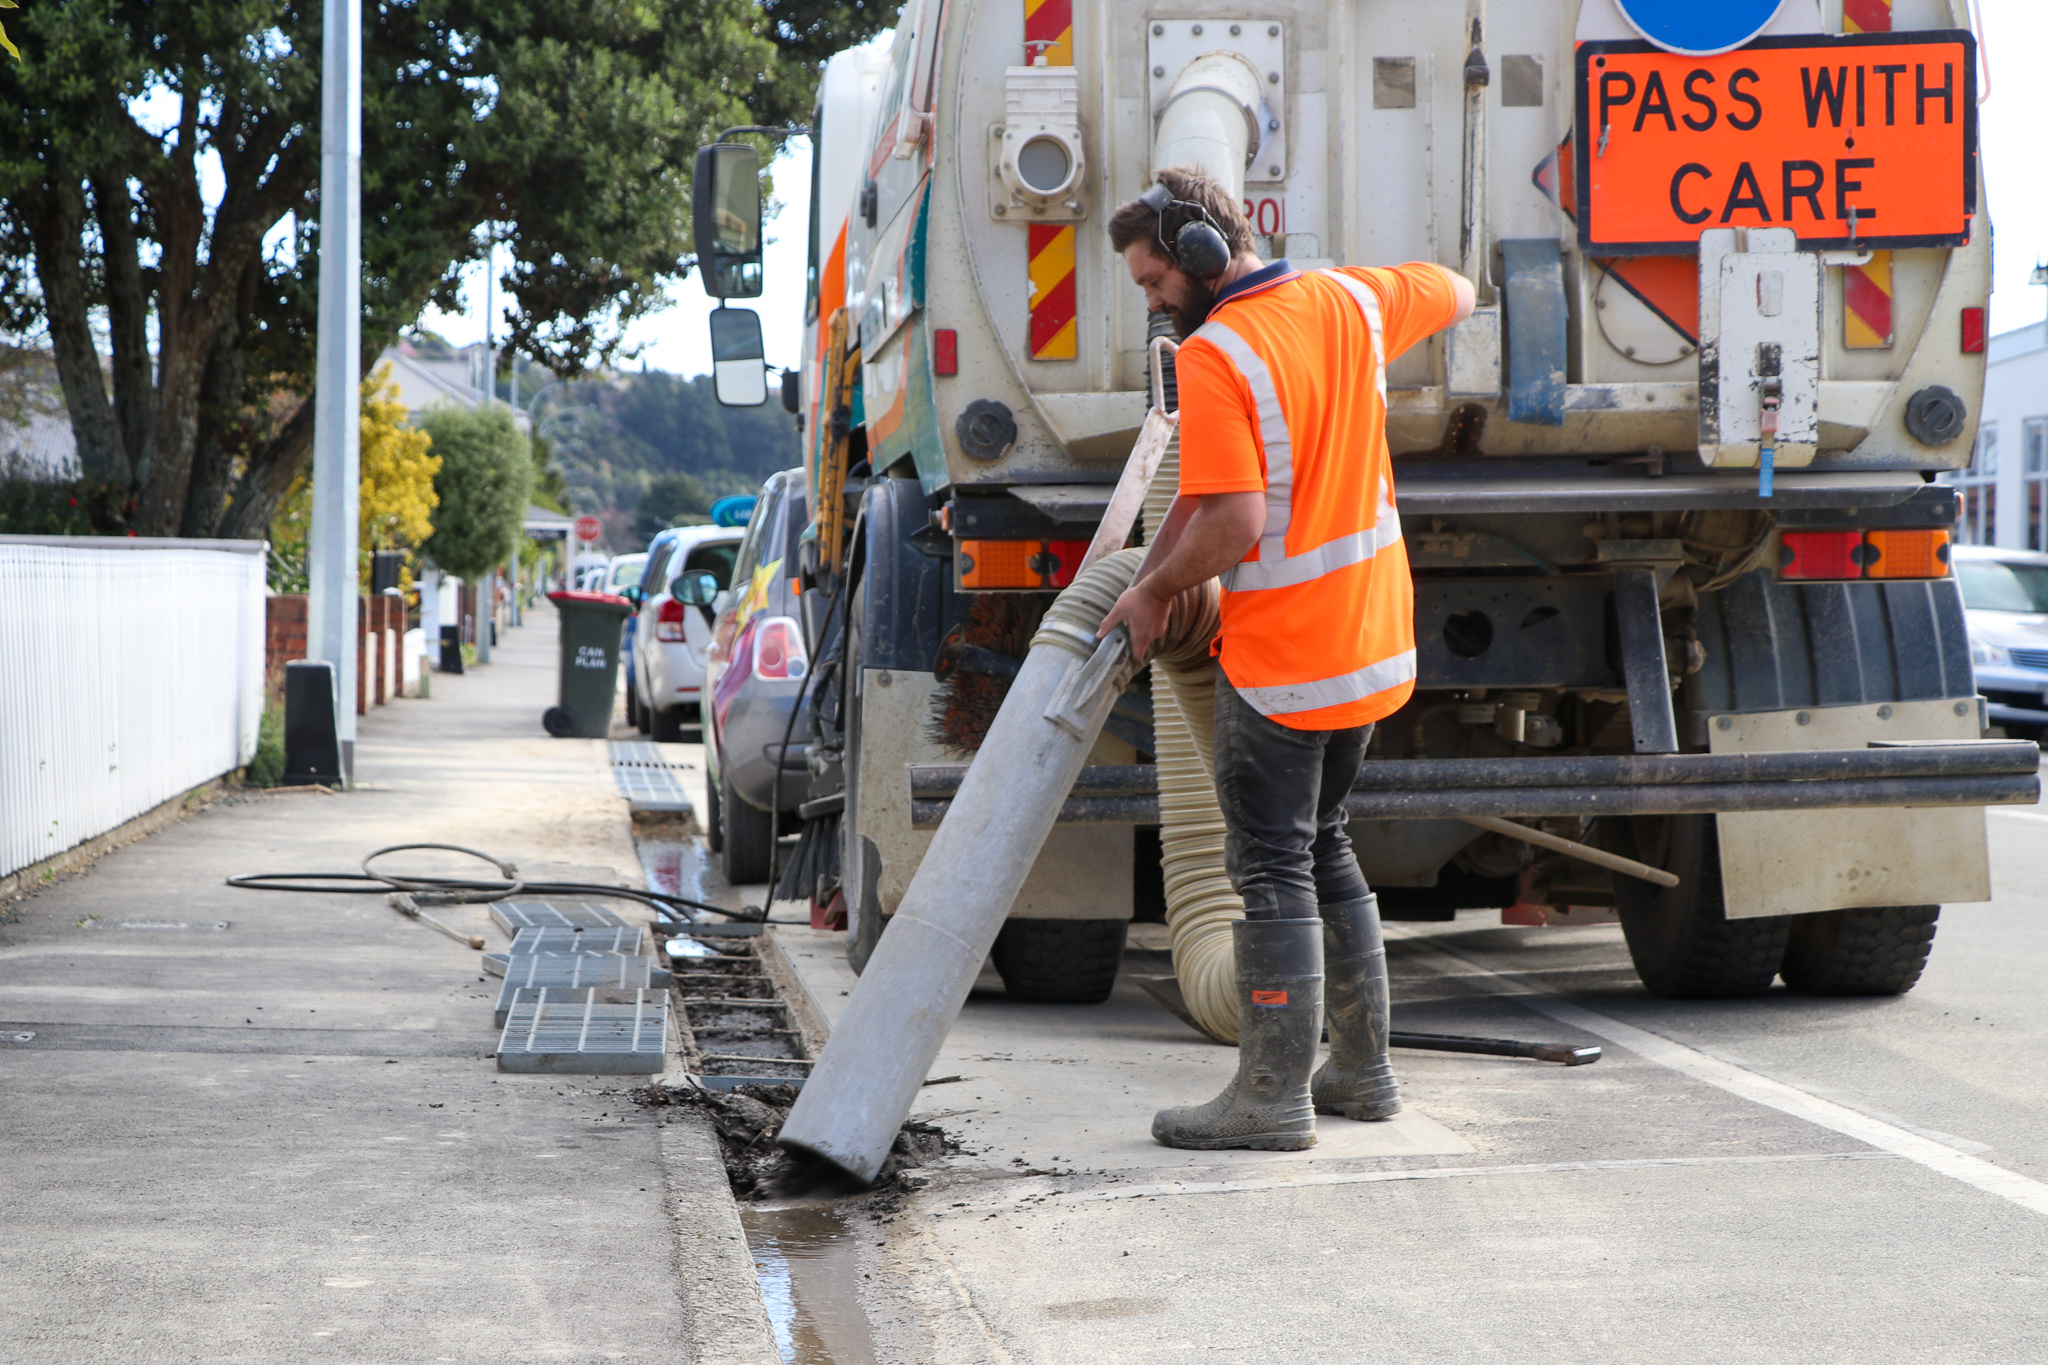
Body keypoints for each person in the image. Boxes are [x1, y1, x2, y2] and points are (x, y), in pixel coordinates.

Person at [1099, 166, 1475, 1151]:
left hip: (1286, 658)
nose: (1150, 306)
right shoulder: (1351, 300)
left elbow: (1232, 518)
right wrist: (1155, 567)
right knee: (1325, 847)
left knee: (1267, 864)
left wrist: (1150, 593)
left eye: (1150, 284)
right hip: (1371, 641)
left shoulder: (1220, 354)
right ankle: (1360, 1070)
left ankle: (1268, 1097)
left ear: (1196, 256)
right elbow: (1456, 289)